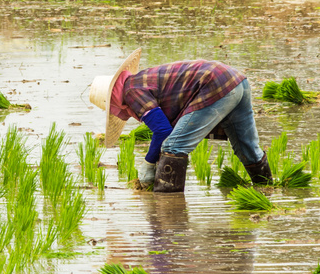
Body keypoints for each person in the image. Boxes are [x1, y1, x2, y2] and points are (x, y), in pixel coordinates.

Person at [89, 48, 271, 193]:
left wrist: (148, 163)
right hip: (237, 81)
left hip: (214, 84)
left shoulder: (130, 92)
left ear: (113, 100)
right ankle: (268, 192)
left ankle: (168, 212)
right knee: (247, 147)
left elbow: (163, 131)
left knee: (173, 147)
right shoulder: (139, 81)